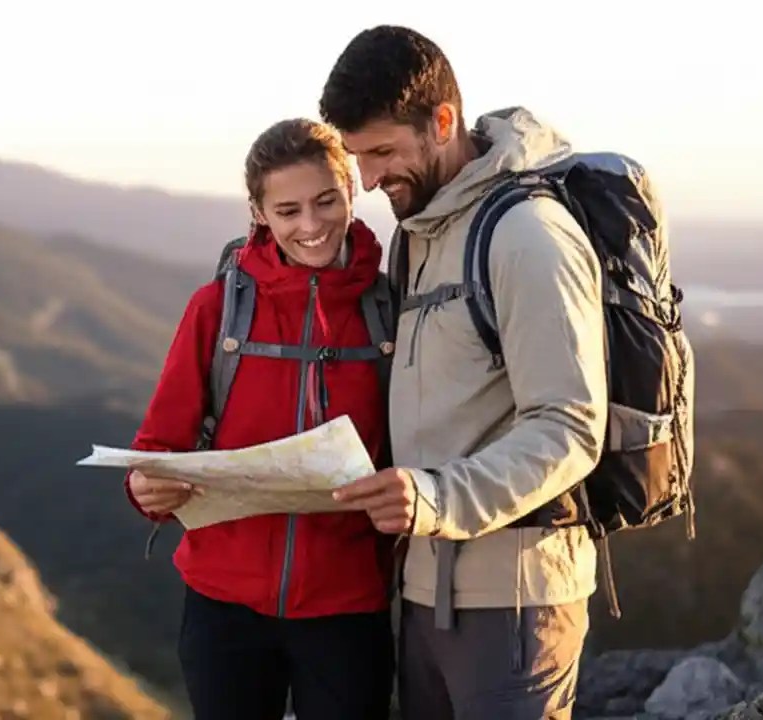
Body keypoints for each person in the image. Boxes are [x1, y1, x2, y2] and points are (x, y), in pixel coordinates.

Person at [321, 25, 609, 720]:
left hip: (515, 604)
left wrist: (437, 499)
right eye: (358, 157)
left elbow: (571, 427)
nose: (367, 180)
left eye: (383, 152)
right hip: (423, 596)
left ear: (442, 122)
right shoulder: (418, 233)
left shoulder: (527, 235)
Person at [123, 117, 395, 720]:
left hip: (347, 608)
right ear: (258, 211)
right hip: (224, 608)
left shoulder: (390, 310)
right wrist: (147, 488)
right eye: (288, 209)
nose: (311, 225)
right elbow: (156, 447)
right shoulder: (218, 309)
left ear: (351, 190)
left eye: (326, 201)